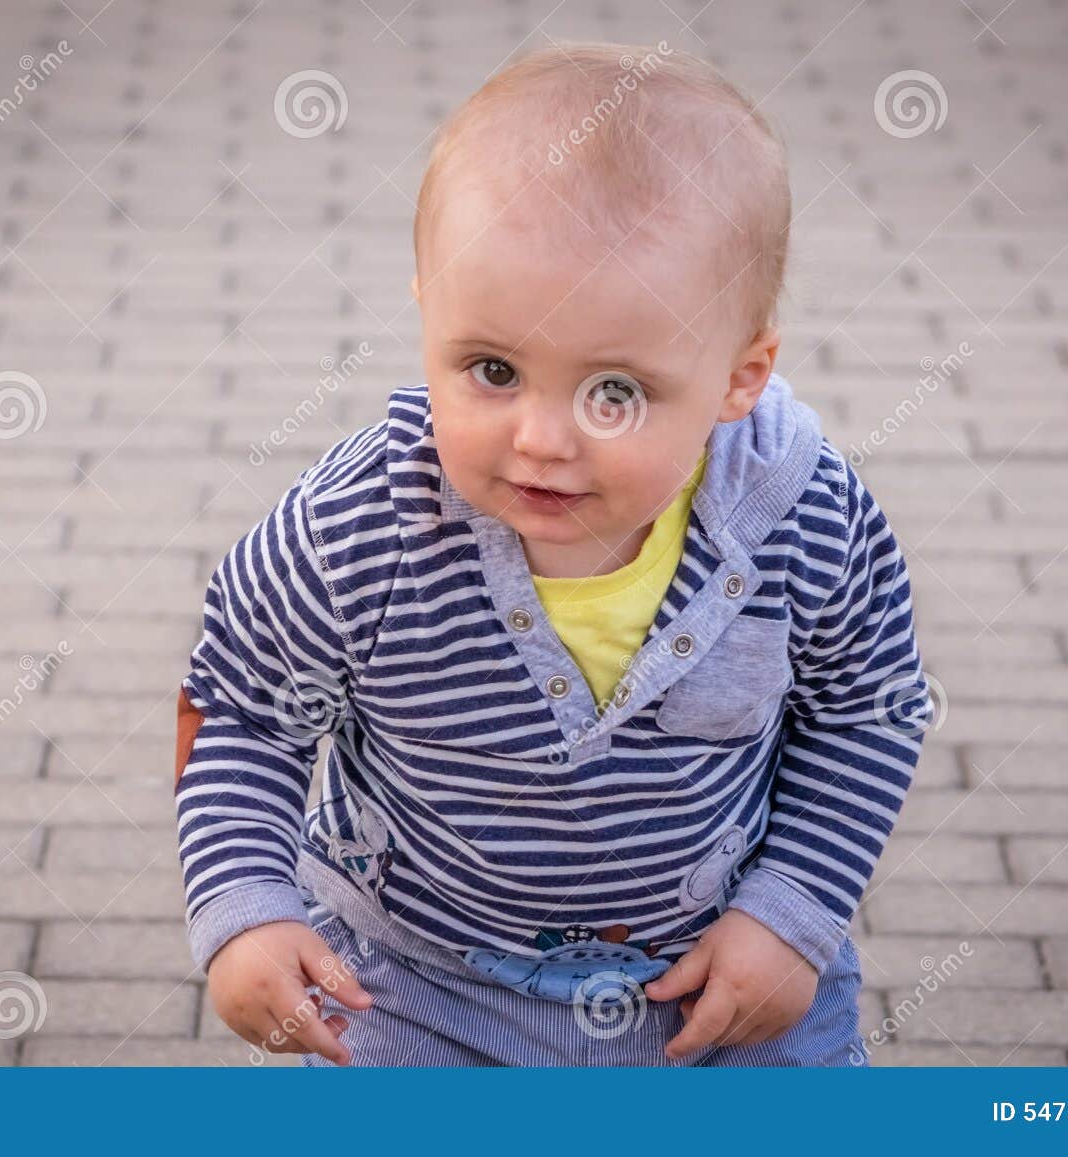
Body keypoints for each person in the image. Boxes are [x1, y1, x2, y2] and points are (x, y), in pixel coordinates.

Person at [173, 40, 932, 1066]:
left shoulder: (801, 515)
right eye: (492, 368)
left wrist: (792, 909)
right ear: (426, 311)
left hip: (716, 979)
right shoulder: (360, 527)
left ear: (738, 377)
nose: (540, 438)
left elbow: (867, 707)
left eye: (613, 391)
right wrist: (247, 905)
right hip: (417, 984)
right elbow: (241, 706)